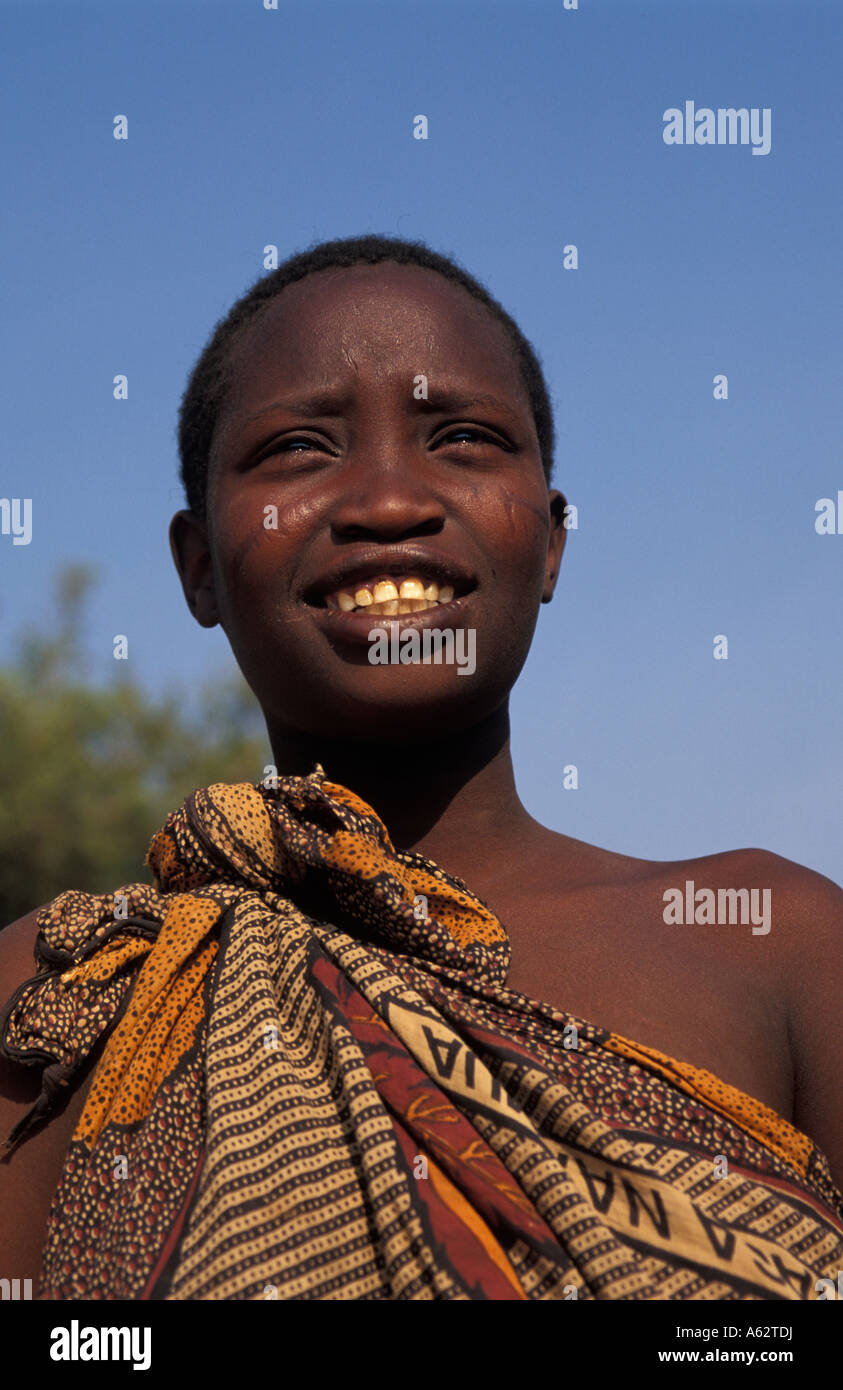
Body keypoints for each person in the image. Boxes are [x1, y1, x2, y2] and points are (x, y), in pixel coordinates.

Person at [1, 234, 841, 1301]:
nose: (389, 502)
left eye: (465, 437)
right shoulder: (66, 991)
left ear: (551, 546)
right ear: (200, 564)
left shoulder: (776, 944)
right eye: (301, 448)